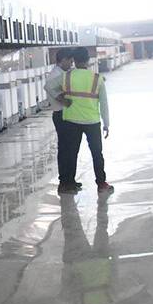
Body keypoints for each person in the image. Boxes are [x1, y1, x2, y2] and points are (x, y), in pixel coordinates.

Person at [56, 47, 111, 195]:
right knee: (96, 153)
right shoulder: (97, 78)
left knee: (71, 153)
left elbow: (49, 87)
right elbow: (104, 103)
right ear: (87, 61)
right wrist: (106, 124)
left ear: (74, 60)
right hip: (92, 121)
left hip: (71, 120)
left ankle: (68, 184)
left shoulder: (65, 77)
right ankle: (101, 183)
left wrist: (61, 100)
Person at [45, 49, 77, 187]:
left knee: (70, 148)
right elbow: (49, 88)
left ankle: (70, 179)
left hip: (66, 114)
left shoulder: (63, 73)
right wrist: (64, 100)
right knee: (65, 148)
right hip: (61, 114)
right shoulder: (55, 75)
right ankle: (65, 180)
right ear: (63, 59)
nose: (71, 63)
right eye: (70, 61)